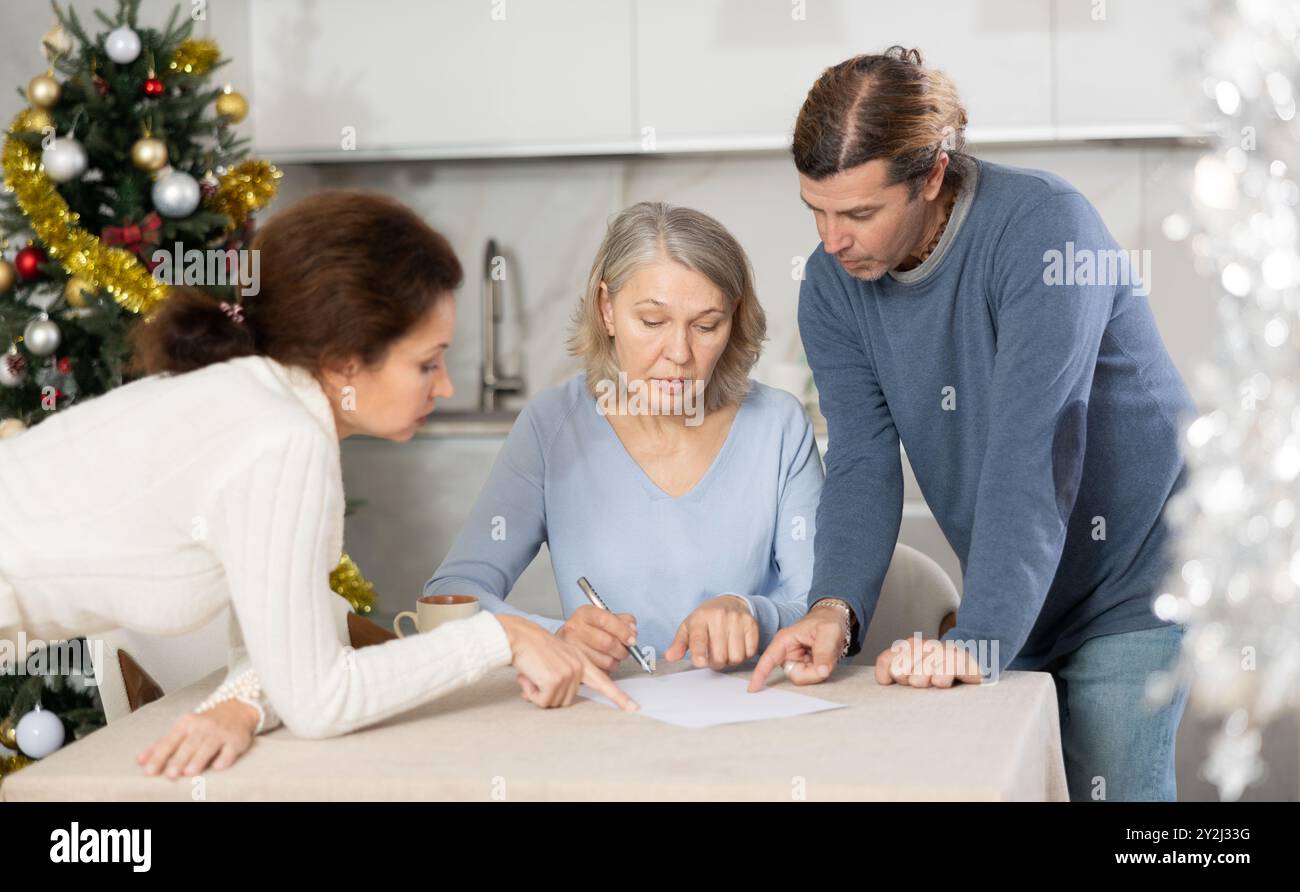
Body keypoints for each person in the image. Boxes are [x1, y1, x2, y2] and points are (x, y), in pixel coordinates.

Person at [0, 190, 635, 781]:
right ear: (342, 360)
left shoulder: (262, 403)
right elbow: (321, 701)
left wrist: (245, 705)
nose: (442, 387)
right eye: (426, 363)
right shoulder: (280, 437)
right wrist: (500, 637)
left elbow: (284, 650)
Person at [749, 47, 1194, 801]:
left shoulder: (1045, 230)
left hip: (1133, 580)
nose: (831, 240)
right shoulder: (832, 286)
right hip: (1021, 589)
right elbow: (861, 460)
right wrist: (833, 608)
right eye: (816, 210)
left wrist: (980, 634)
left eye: (859, 213)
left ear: (931, 176)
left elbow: (1037, 446)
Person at [424, 202, 823, 670]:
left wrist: (753, 611)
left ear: (733, 318)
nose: (679, 353)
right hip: (607, 717)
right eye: (652, 322)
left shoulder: (778, 425)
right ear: (606, 309)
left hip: (752, 715)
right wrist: (555, 636)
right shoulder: (552, 426)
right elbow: (451, 596)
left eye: (706, 325)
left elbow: (821, 607)